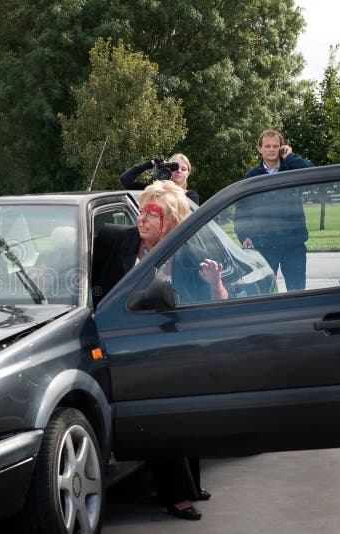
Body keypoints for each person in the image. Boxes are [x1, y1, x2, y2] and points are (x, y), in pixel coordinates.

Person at [91, 180, 225, 520]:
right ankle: (179, 494)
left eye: (154, 213)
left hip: (167, 343)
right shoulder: (113, 239)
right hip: (116, 339)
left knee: (177, 406)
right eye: (143, 211)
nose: (143, 219)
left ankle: (187, 487)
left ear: (172, 222)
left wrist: (215, 284)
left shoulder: (188, 256)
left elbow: (215, 306)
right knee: (158, 410)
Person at [234, 129, 313, 291]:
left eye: (275, 146)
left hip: (293, 244)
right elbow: (241, 209)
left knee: (298, 292)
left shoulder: (292, 169)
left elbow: (313, 174)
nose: (271, 149)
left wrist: (290, 157)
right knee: (265, 292)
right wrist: (243, 235)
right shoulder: (252, 175)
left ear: (281, 148)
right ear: (260, 149)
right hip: (264, 245)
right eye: (267, 146)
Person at [120, 153, 199, 204]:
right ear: (168, 168)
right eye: (175, 167)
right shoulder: (154, 190)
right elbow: (125, 180)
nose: (179, 171)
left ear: (188, 174)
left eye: (183, 169)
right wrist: (150, 163)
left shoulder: (190, 196)